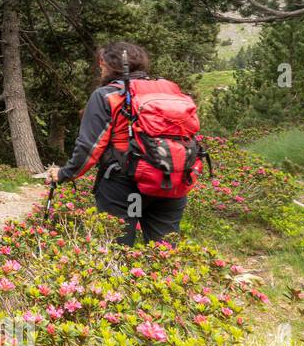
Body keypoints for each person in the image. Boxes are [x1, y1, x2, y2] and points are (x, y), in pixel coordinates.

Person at [47, 41, 203, 246]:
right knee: (165, 251)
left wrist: (64, 174)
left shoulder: (107, 95)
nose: (99, 68)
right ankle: (163, 277)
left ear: (105, 63)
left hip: (125, 185)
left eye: (100, 63)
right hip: (170, 179)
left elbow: (89, 148)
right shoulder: (170, 92)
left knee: (117, 247)